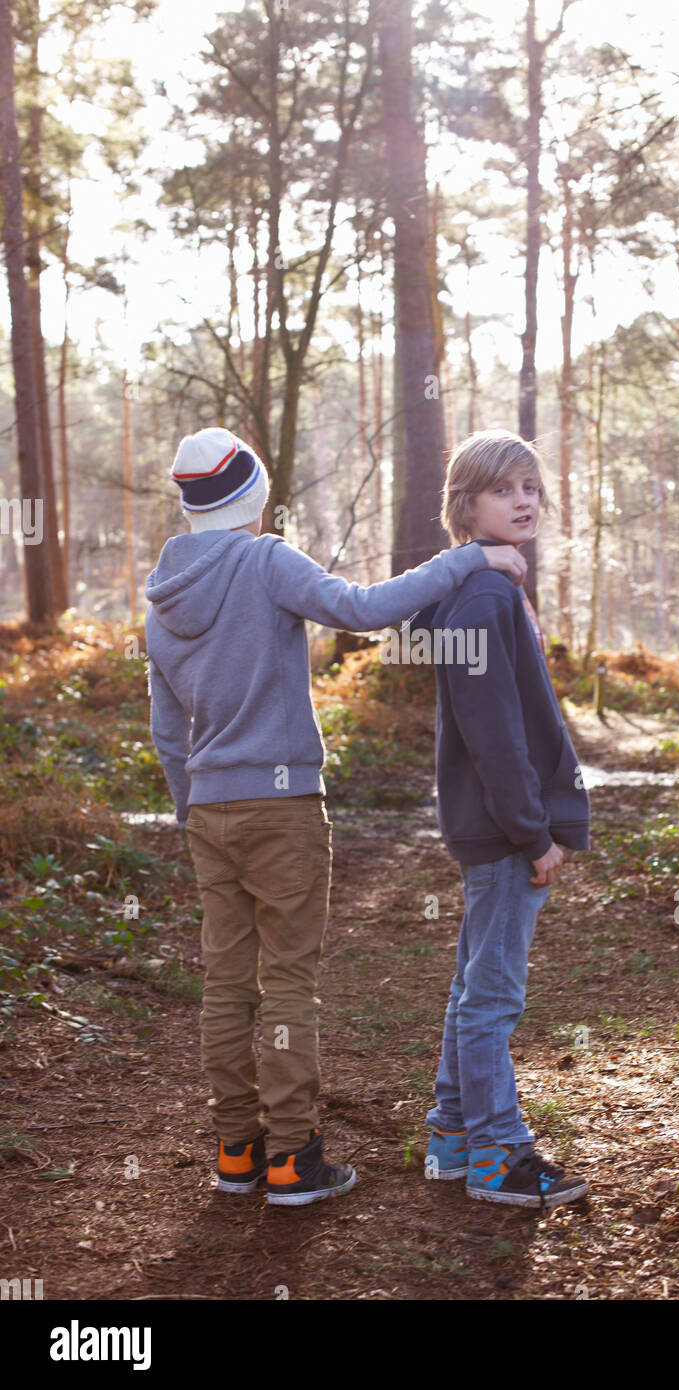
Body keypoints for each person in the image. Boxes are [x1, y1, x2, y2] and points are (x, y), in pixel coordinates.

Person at [144, 426, 527, 1206]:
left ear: (188, 504)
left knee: (225, 983)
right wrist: (469, 558)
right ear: (251, 493)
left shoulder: (160, 598)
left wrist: (194, 809)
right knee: (285, 982)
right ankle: (292, 1159)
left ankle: (234, 1151)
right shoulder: (264, 560)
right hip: (281, 806)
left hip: (209, 813)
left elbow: (164, 731)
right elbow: (363, 609)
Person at [412, 428, 591, 1209]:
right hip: (502, 827)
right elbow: (494, 731)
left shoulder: (480, 591)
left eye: (529, 486)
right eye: (502, 489)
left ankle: (452, 1135)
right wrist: (533, 831)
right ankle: (497, 1155)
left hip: (491, 824)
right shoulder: (482, 596)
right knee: (491, 997)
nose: (522, 500)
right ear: (466, 505)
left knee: (472, 986)